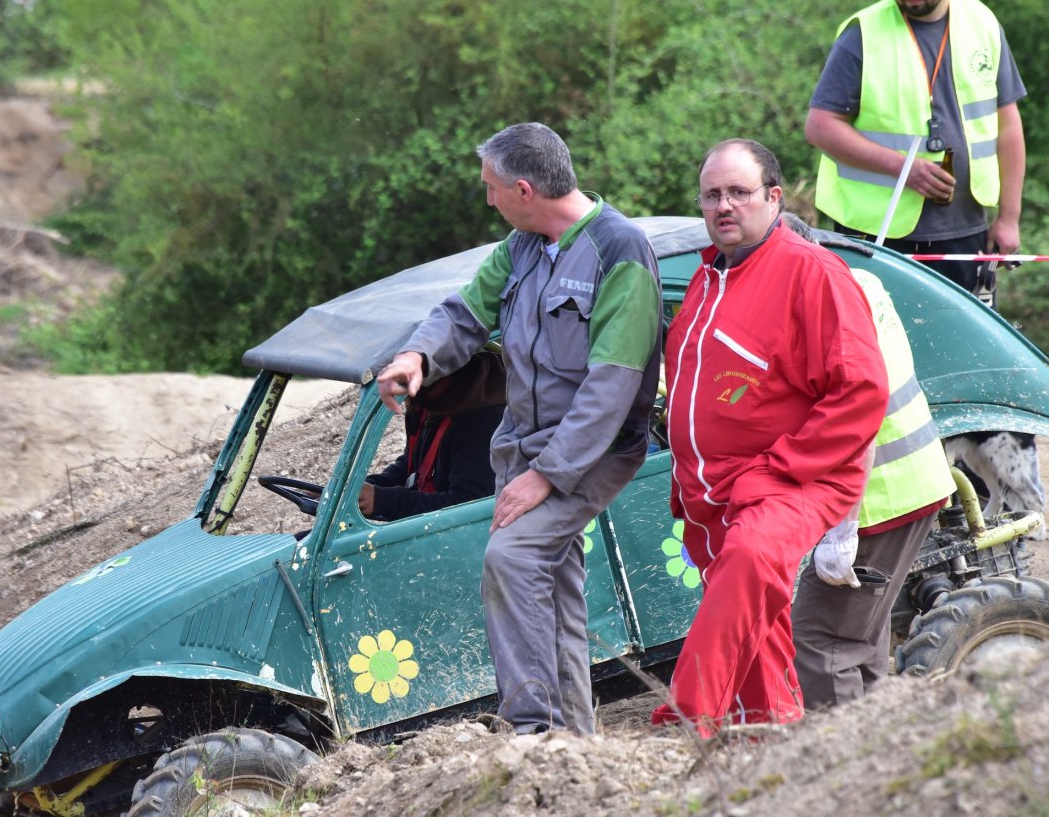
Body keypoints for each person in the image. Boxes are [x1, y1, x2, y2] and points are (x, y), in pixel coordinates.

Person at [376, 122, 662, 735]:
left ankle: (535, 730)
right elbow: (465, 312)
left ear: (524, 190)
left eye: (492, 188)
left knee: (513, 558)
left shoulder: (620, 249)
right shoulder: (523, 245)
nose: (489, 200)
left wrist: (547, 476)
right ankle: (573, 743)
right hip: (524, 447)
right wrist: (416, 355)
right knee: (552, 586)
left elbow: (611, 388)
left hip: (592, 452)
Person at [651, 140, 889, 738]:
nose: (723, 205)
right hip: (710, 493)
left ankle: (685, 721)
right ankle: (773, 742)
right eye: (712, 195)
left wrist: (780, 467)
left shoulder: (811, 272)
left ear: (774, 197)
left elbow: (860, 390)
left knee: (751, 561)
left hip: (791, 478)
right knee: (755, 632)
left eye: (739, 192)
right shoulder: (707, 278)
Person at [783, 214, 957, 709]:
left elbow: (856, 412)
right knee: (861, 637)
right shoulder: (861, 281)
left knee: (822, 640)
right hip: (912, 479)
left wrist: (842, 527)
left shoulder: (820, 305)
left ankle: (840, 752)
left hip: (879, 496)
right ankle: (879, 743)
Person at [805, 0, 1026, 298]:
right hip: (873, 235)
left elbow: (1008, 125)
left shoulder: (981, 21)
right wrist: (903, 169)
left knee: (959, 333)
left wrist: (1009, 217)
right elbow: (820, 127)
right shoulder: (863, 32)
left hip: (965, 230)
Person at [360, 351, 506, 521]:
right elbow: (412, 463)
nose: (403, 396)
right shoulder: (431, 403)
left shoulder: (482, 425)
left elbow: (469, 509)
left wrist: (384, 501)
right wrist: (372, 489)